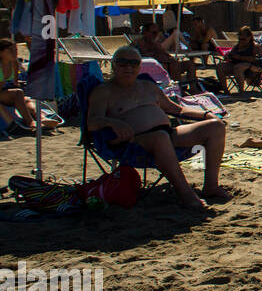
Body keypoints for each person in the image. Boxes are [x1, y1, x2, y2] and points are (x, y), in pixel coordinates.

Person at [86, 47, 229, 210]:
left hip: (167, 133)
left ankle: (211, 186)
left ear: (140, 66)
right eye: (123, 63)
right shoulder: (104, 91)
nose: (128, 67)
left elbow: (177, 109)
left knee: (215, 127)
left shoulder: (147, 86)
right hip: (133, 142)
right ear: (114, 66)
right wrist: (113, 123)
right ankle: (186, 195)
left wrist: (206, 115)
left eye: (134, 63)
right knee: (160, 137)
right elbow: (92, 122)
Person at [0, 38, 56, 133]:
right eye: (10, 50)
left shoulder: (14, 63)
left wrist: (18, 83)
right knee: (18, 93)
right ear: (1, 53)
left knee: (27, 100)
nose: (15, 53)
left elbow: (15, 82)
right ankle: (30, 122)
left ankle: (42, 117)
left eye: (16, 50)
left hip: (6, 92)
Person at [217, 26, 262, 93]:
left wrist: (239, 57)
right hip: (237, 65)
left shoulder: (255, 47)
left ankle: (241, 91)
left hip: (253, 68)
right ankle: (225, 90)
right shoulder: (237, 46)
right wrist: (228, 56)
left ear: (249, 37)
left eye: (243, 39)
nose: (241, 41)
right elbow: (231, 56)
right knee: (220, 66)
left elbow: (256, 60)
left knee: (239, 67)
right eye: (240, 39)